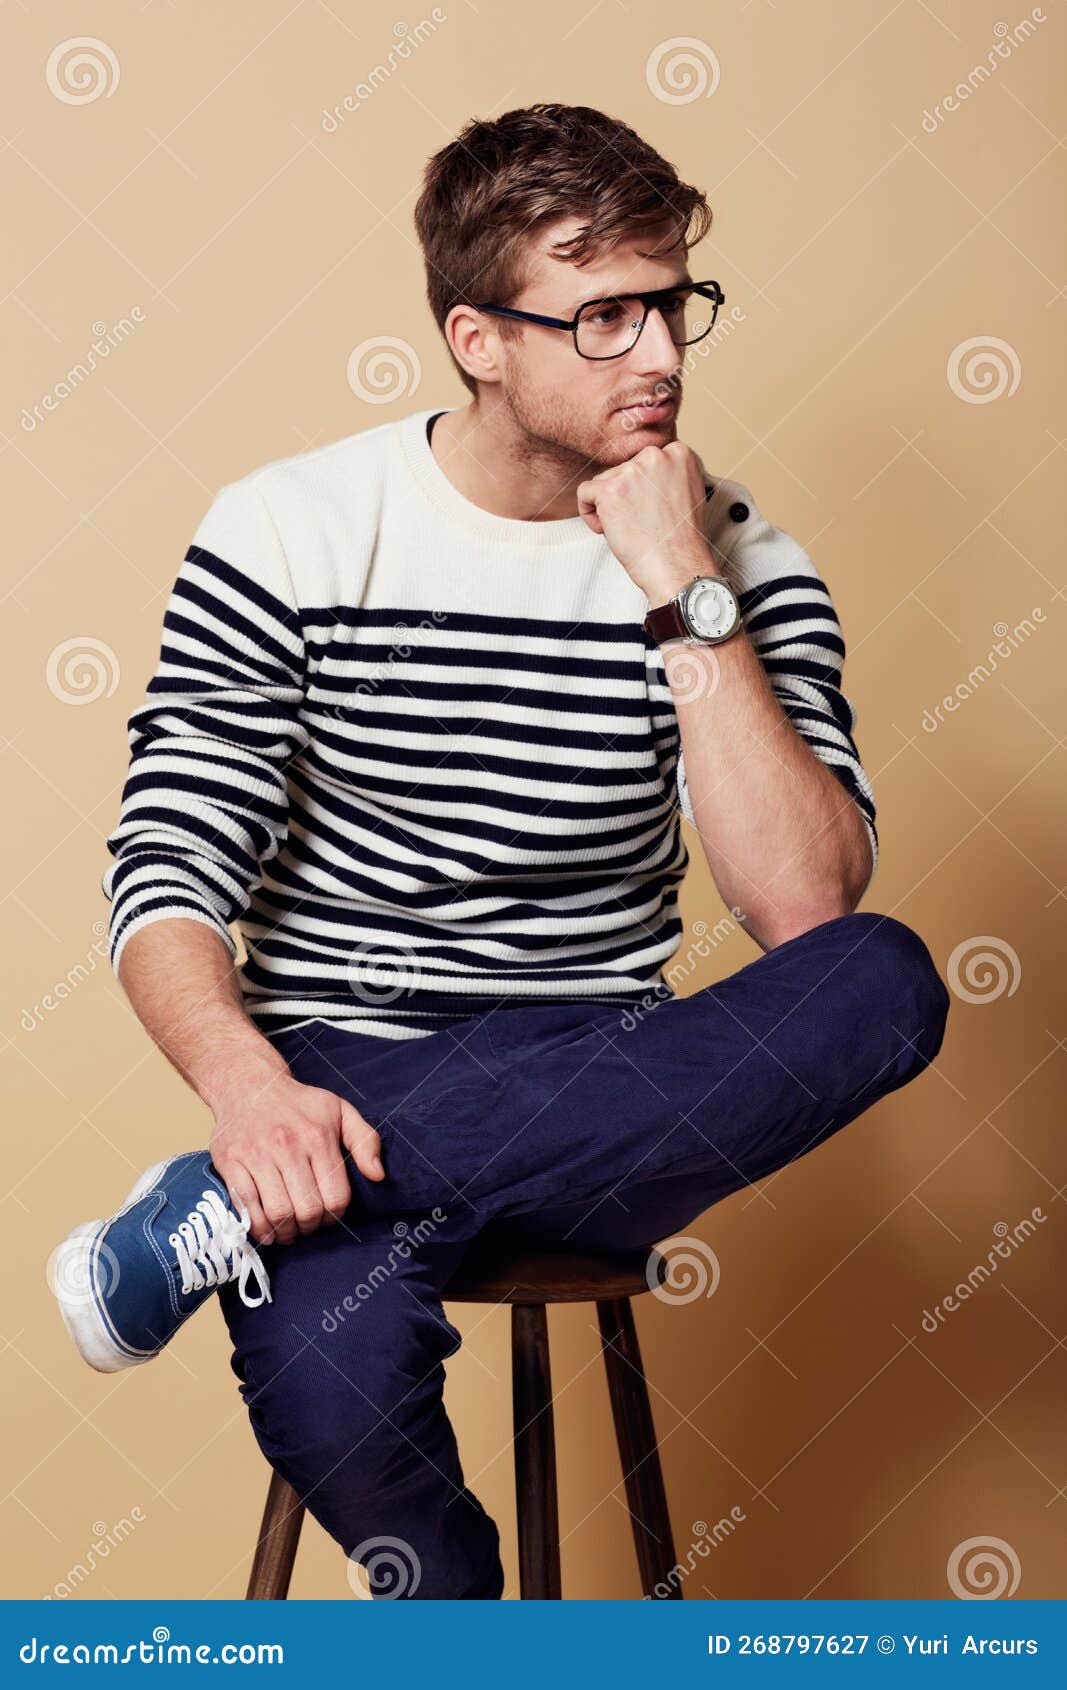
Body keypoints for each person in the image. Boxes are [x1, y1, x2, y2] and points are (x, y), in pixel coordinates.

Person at [52, 103, 950, 1599]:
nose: (658, 354)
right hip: (323, 1061)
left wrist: (677, 588)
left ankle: (229, 1212)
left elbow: (804, 906)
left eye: (672, 306)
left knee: (888, 978)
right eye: (603, 315)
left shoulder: (743, 561)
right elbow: (166, 870)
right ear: (478, 337)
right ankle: (483, 1646)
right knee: (335, 1371)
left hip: (610, 1090)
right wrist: (253, 1090)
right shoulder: (290, 531)